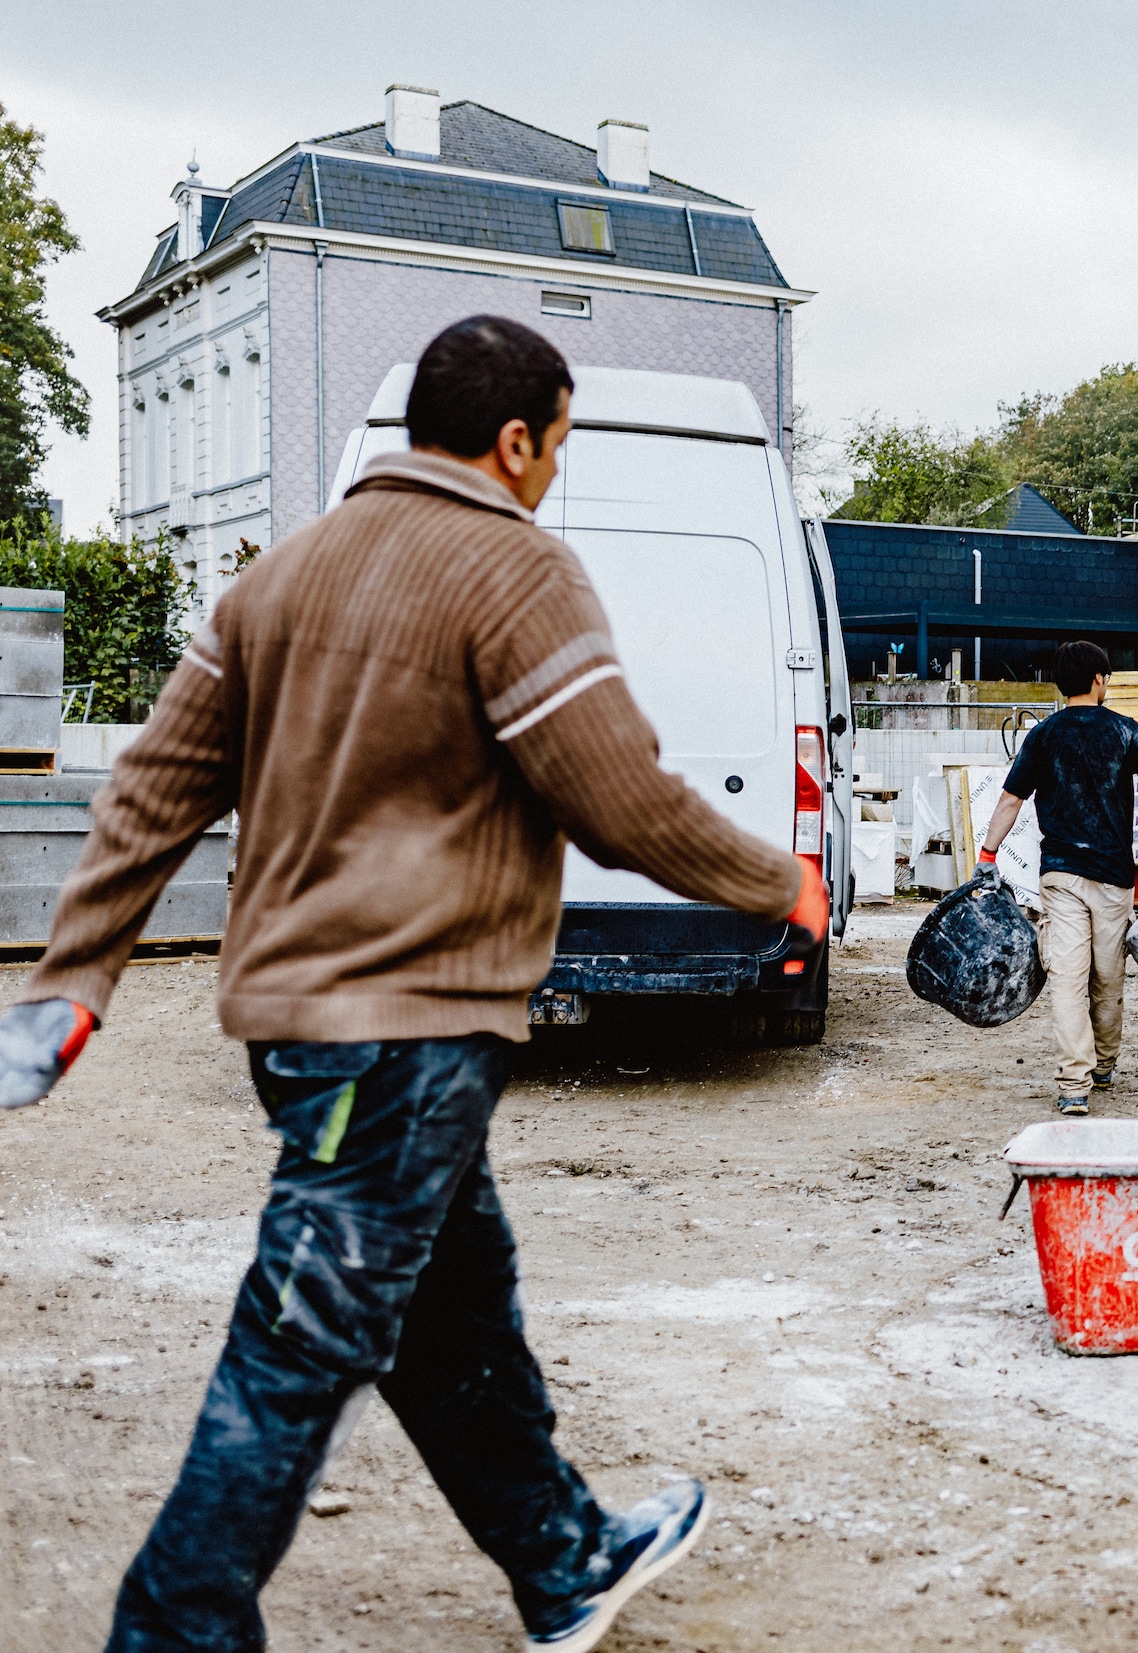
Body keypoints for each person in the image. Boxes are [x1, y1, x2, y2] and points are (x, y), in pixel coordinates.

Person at [0, 315, 825, 1652]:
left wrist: (76, 972)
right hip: (406, 1041)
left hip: (307, 1031)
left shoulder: (281, 576)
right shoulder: (515, 572)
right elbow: (615, 794)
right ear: (514, 441)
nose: (555, 472)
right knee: (299, 1347)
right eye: (557, 446)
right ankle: (172, 1629)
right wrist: (771, 879)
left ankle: (561, 1561)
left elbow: (154, 784)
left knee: (453, 1317)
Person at [978, 640, 1138, 1115]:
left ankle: (1074, 1084)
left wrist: (987, 854)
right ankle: (1100, 1067)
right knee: (1107, 977)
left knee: (1068, 979)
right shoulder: (1124, 731)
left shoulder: (1042, 736)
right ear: (1099, 680)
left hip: (1060, 877)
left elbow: (1010, 801)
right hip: (1114, 878)